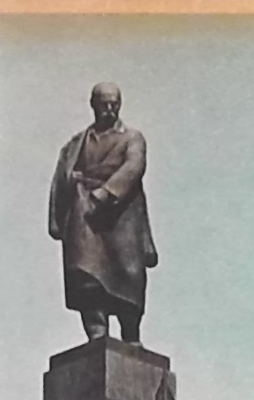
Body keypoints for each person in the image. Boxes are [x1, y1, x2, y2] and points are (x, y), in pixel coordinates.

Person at [48, 83, 158, 343]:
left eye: (113, 104)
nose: (109, 109)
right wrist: (70, 185)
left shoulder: (132, 138)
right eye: (103, 104)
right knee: (86, 276)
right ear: (93, 105)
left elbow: (134, 166)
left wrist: (108, 192)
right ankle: (96, 333)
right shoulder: (75, 144)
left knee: (128, 276)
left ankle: (131, 336)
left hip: (121, 216)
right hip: (83, 214)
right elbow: (59, 178)